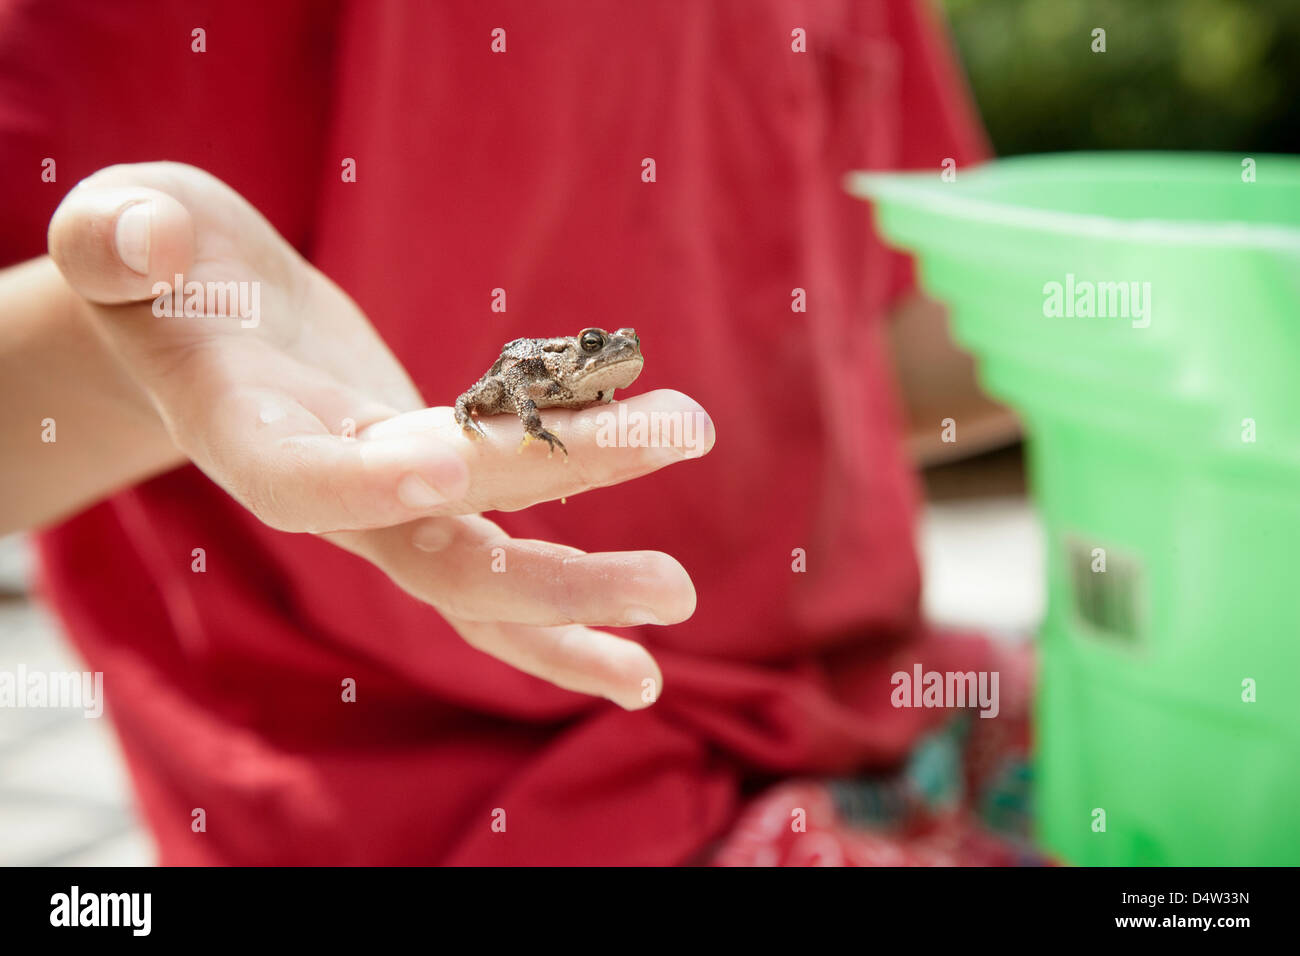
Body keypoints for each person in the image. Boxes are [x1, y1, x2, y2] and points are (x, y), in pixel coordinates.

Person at [0, 0, 1030, 864]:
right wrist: (126, 352)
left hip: (875, 710)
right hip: (484, 802)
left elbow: (866, 346)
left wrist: (1126, 319)